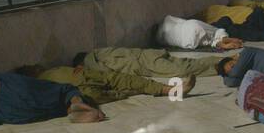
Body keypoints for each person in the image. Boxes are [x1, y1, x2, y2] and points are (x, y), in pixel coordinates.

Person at [0, 68, 105, 125]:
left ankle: (72, 109)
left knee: (49, 108)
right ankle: (76, 101)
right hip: (9, 89)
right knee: (63, 90)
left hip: (8, 113)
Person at [19, 64, 195, 104]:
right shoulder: (40, 81)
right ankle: (125, 93)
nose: (35, 66)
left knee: (125, 79)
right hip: (81, 87)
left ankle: (171, 90)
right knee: (117, 90)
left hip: (86, 75)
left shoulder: (52, 69)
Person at [81, 47, 223, 79]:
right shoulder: (100, 53)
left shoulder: (90, 61)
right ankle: (222, 61)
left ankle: (220, 67)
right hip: (147, 57)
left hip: (145, 62)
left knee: (181, 70)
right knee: (185, 62)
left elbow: (107, 74)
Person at [155, 15, 247, 50]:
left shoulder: (160, 40)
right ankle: (224, 39)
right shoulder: (167, 19)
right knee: (215, 32)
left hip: (188, 41)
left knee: (210, 40)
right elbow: (183, 22)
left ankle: (221, 43)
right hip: (191, 26)